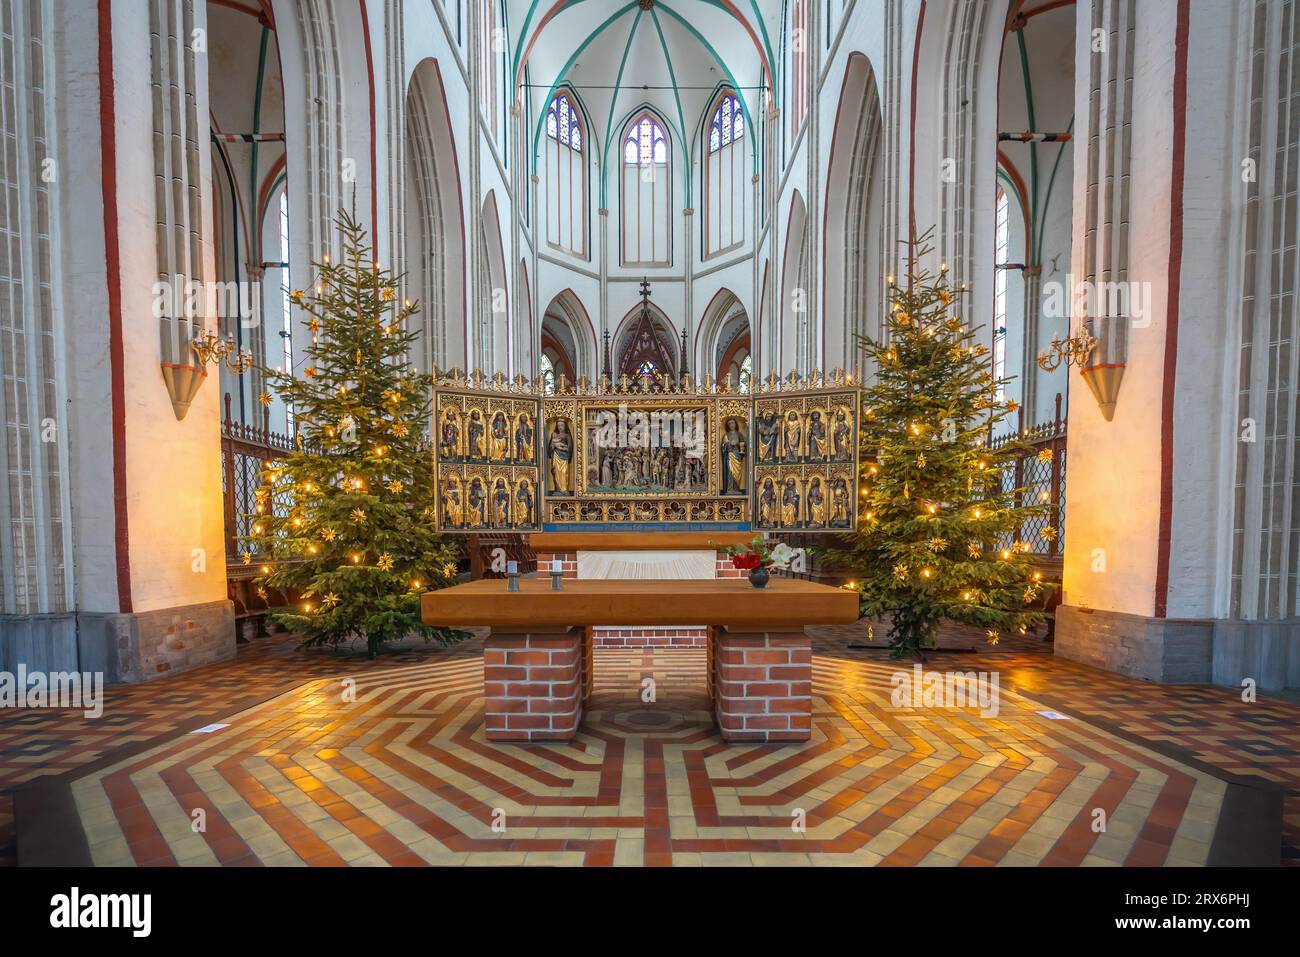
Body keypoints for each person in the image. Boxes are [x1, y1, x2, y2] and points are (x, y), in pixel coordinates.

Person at [721, 417, 747, 495]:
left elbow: (743, 444)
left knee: (737, 473)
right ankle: (730, 489)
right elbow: (723, 447)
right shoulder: (726, 435)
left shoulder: (739, 434)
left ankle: (736, 489)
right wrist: (727, 444)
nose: (731, 425)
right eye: (729, 423)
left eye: (733, 423)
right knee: (730, 472)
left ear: (735, 424)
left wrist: (741, 447)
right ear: (727, 425)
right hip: (730, 455)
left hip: (737, 455)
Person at [547, 419, 573, 493]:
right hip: (556, 456)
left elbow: (570, 448)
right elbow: (550, 448)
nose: (560, 427)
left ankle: (564, 489)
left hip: (564, 457)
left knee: (564, 473)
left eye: (562, 425)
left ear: (565, 426)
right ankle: (557, 490)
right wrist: (553, 445)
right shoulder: (554, 435)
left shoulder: (567, 436)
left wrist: (563, 447)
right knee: (555, 472)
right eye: (558, 425)